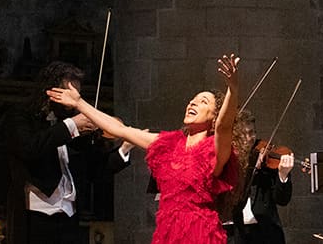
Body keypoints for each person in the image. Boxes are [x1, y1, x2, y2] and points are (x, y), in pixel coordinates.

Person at [45, 53, 243, 244]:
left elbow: (223, 127)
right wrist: (79, 103)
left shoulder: (215, 152)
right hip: (167, 232)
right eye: (193, 99)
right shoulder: (168, 144)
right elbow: (119, 129)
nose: (193, 102)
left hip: (199, 234)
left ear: (214, 116)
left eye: (203, 102)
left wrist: (232, 89)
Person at [0, 61, 133, 244]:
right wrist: (71, 126)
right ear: (51, 91)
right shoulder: (20, 117)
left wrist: (125, 147)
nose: (73, 104)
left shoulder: (72, 127)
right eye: (70, 96)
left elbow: (96, 169)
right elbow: (30, 148)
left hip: (70, 217)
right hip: (34, 216)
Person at [227, 110, 294, 244]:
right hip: (235, 232)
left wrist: (283, 175)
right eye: (243, 134)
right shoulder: (227, 160)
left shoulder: (268, 160)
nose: (248, 138)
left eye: (252, 132)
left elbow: (282, 200)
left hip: (265, 233)